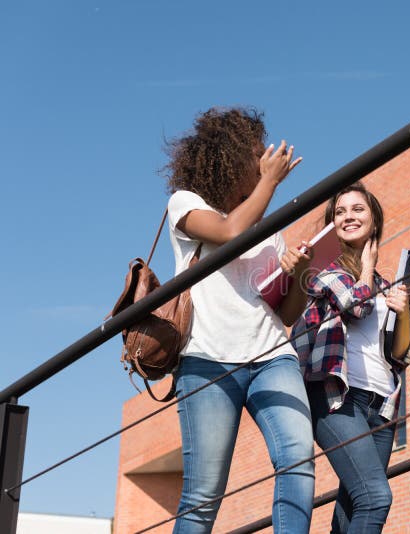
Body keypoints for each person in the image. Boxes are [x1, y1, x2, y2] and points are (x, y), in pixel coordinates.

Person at [163, 107, 315, 533]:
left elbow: (285, 314)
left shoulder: (269, 226)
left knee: (298, 460)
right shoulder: (186, 204)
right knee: (203, 495)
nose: (265, 160)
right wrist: (270, 183)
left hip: (271, 356)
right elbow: (229, 232)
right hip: (207, 361)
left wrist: (300, 272)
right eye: (256, 155)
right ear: (229, 160)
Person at [291, 182, 410, 533]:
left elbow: (399, 353)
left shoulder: (386, 284)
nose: (349, 216)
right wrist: (367, 265)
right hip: (337, 398)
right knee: (376, 498)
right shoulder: (324, 272)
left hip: (382, 404)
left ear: (374, 220)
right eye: (340, 212)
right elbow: (356, 306)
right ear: (332, 225)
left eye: (358, 209)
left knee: (350, 511)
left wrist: (402, 313)